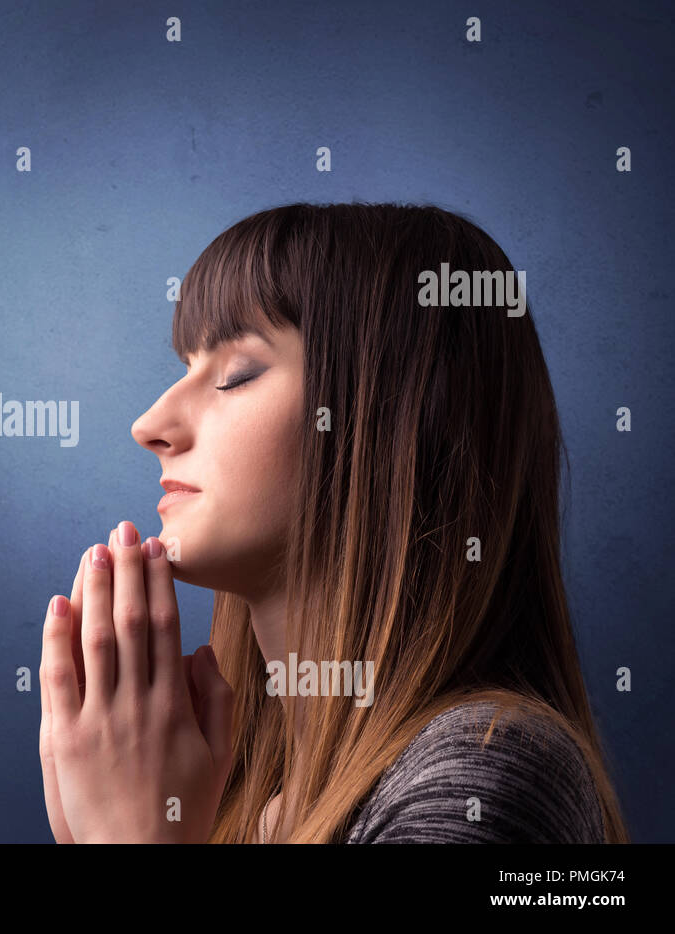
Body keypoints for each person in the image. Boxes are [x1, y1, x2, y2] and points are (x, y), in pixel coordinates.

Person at [37, 203, 628, 843]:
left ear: (397, 421)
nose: (150, 425)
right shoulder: (234, 802)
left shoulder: (483, 772)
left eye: (236, 376)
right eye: (187, 370)